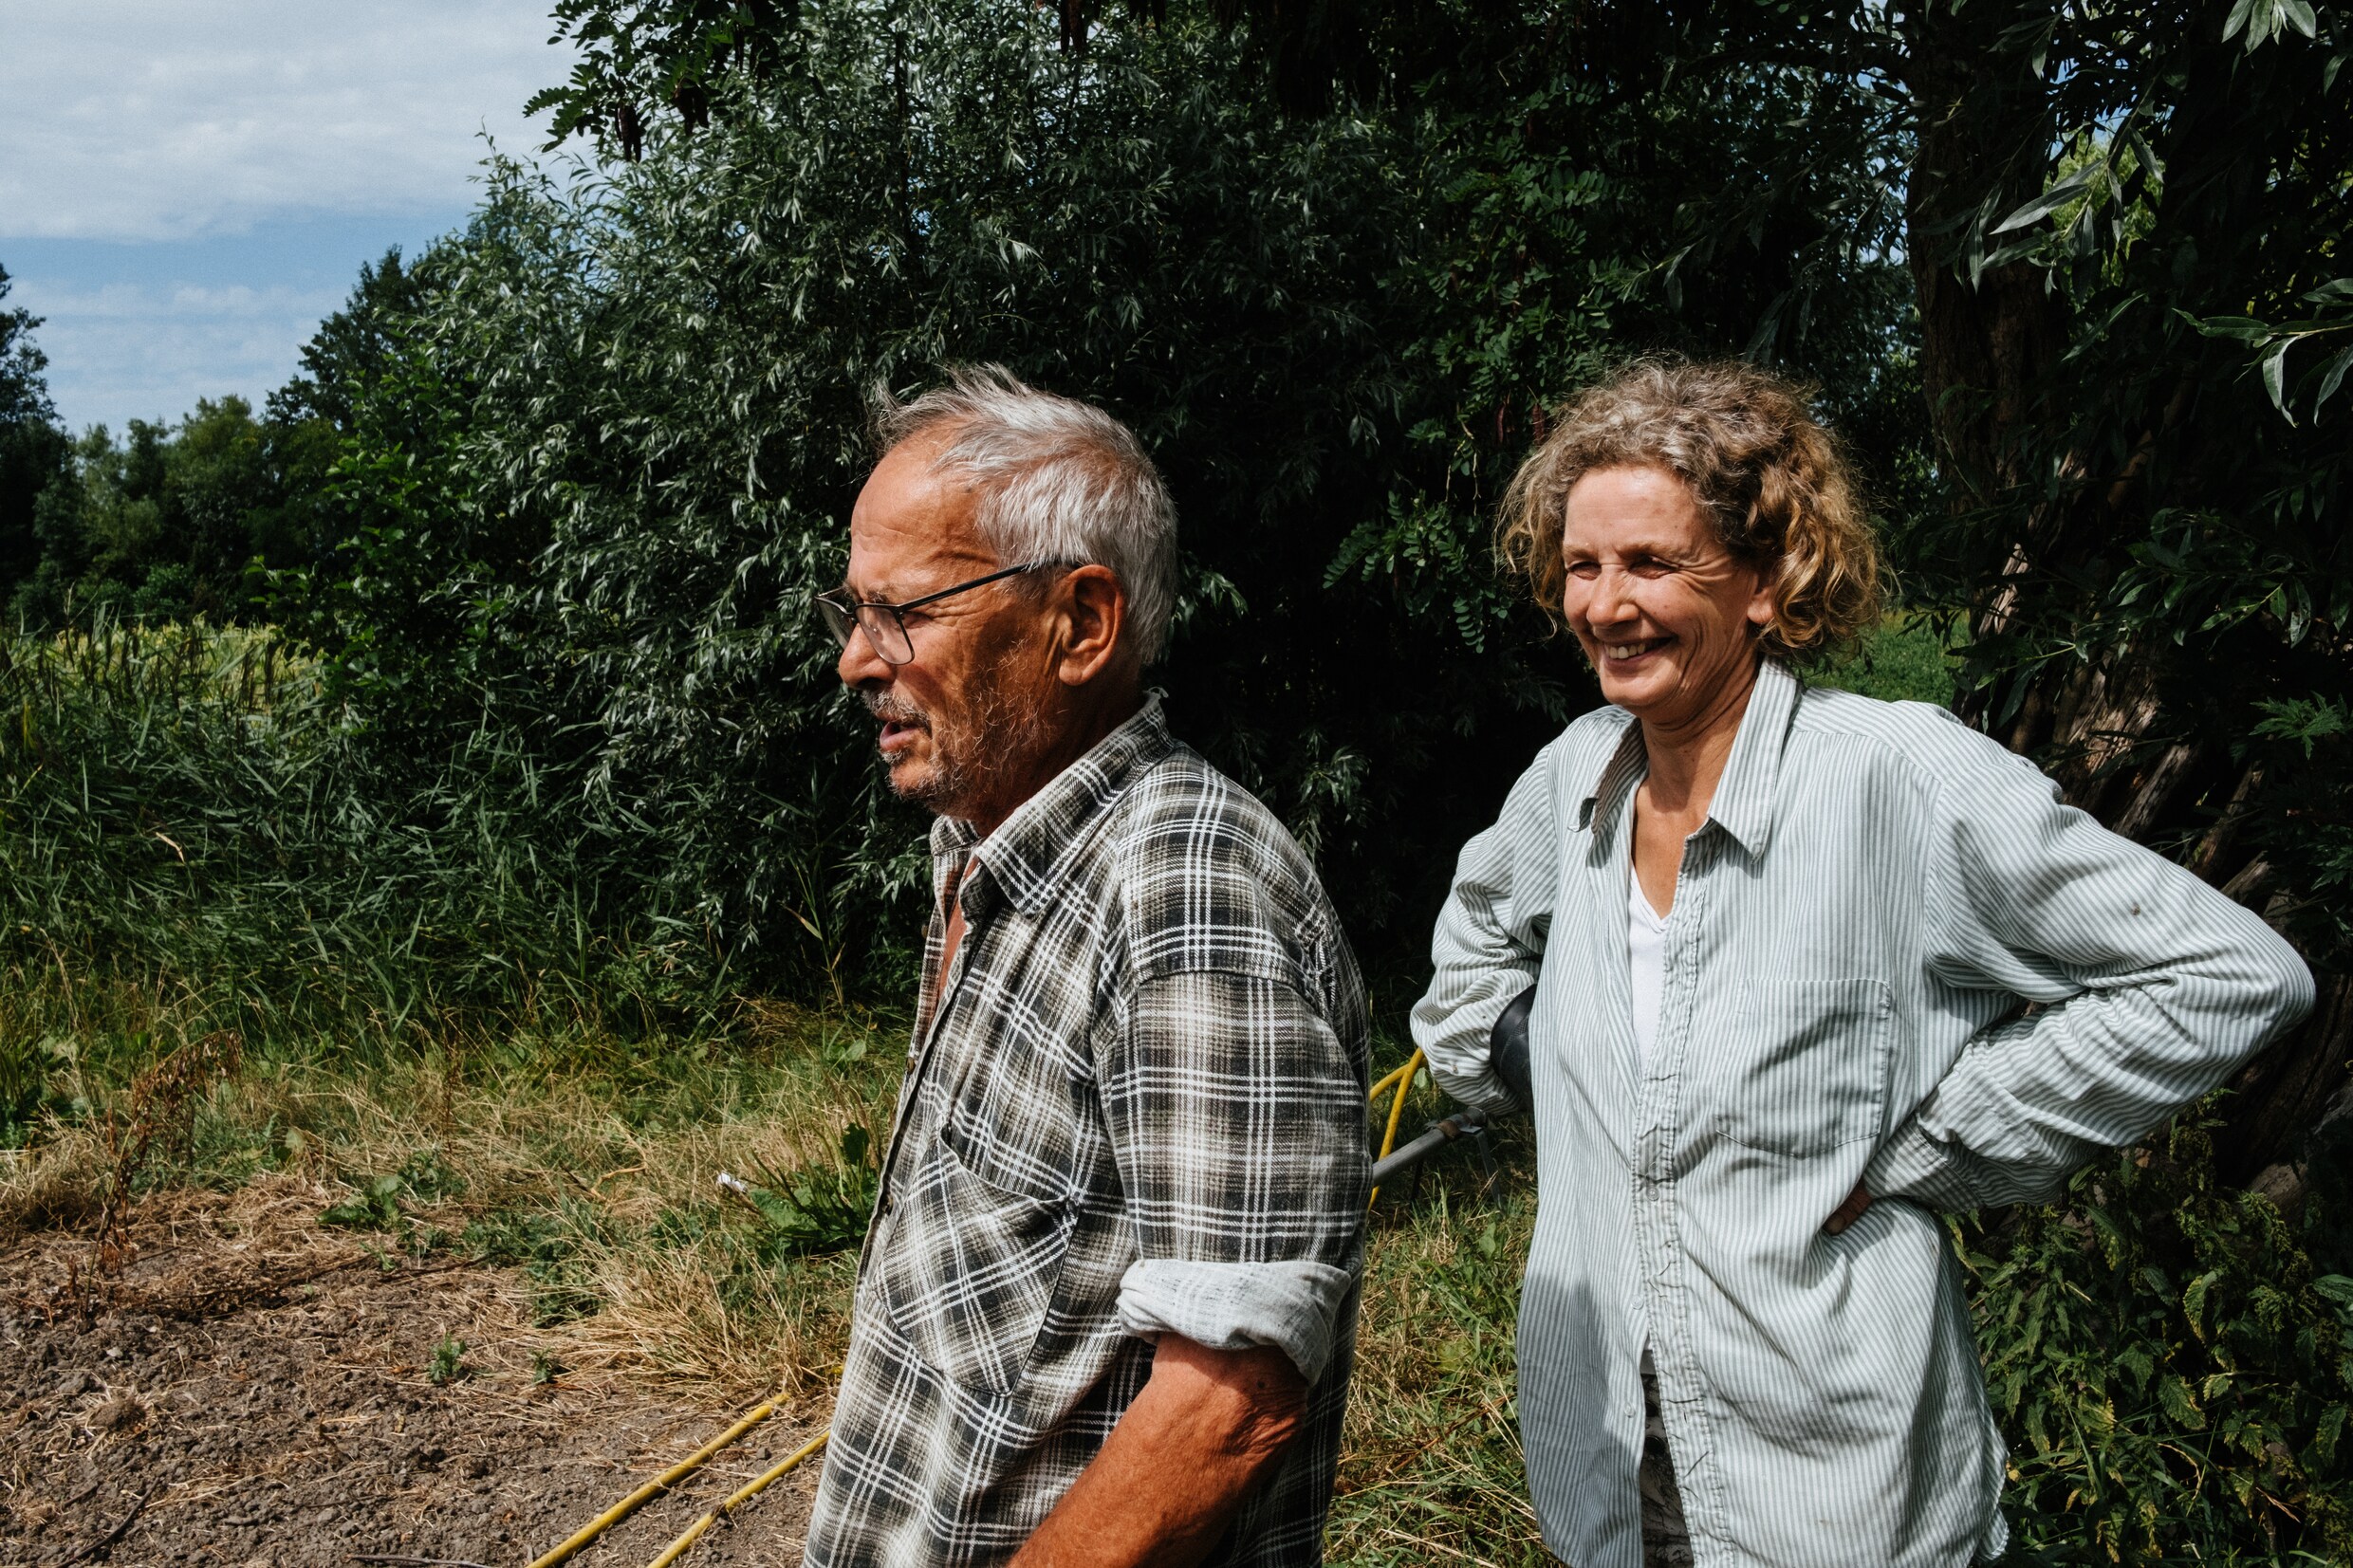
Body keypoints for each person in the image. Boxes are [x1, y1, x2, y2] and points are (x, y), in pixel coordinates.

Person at [1412, 360, 2315, 1568]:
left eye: (1651, 564)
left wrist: (1929, 1146)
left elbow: (2228, 974)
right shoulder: (1569, 776)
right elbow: (1468, 957)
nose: (1604, 604)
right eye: (1581, 565)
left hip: (1834, 1487)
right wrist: (1549, 1080)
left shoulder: (1895, 777)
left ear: (1768, 584)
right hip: (1605, 1464)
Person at [801, 365, 1370, 1568]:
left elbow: (1227, 1401)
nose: (857, 661)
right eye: (854, 612)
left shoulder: (1187, 890)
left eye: (902, 612)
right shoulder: (988, 847)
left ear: (1082, 623)